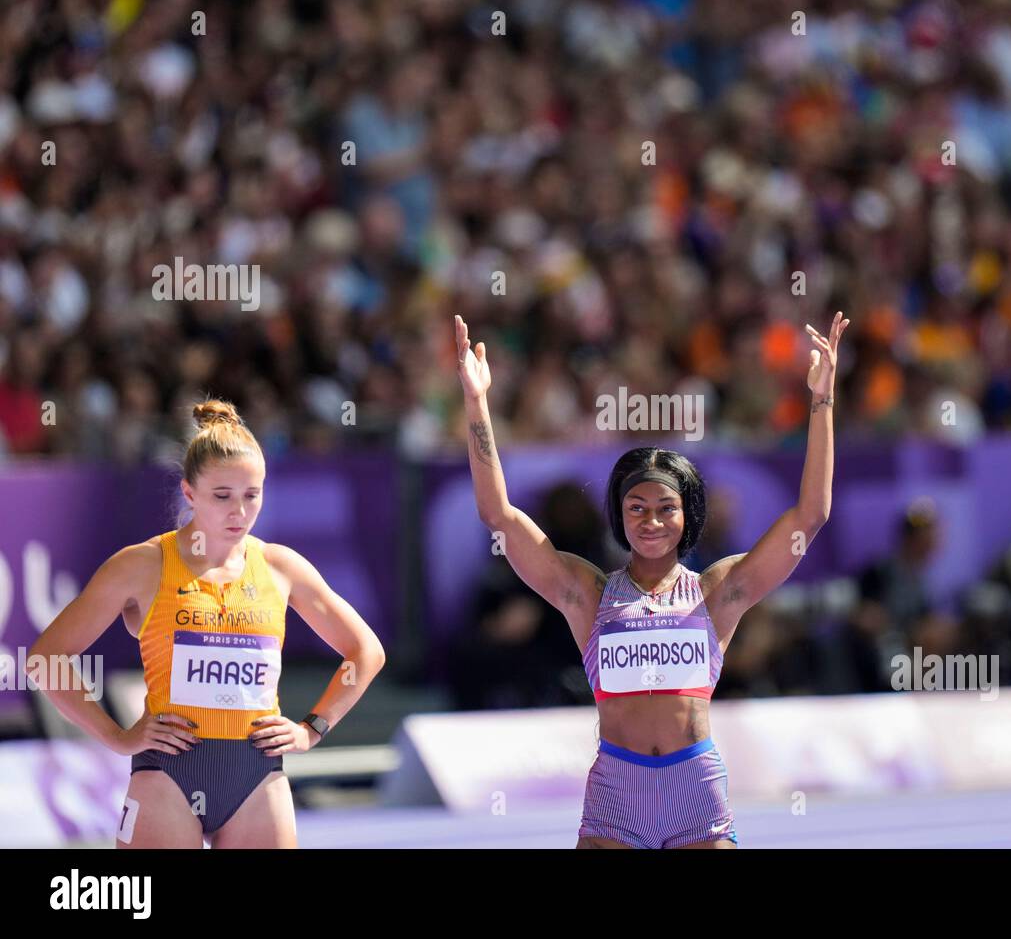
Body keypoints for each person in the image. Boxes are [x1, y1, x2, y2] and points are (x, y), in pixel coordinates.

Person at [455, 310, 848, 848]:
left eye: (666, 508)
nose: (651, 521)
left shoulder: (718, 592)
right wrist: (477, 403)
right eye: (636, 508)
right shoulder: (585, 593)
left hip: (696, 791)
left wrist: (822, 399)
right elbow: (498, 514)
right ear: (619, 516)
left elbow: (811, 516)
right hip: (616, 795)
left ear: (688, 516)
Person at [26, 400, 386, 848]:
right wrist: (115, 737)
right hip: (167, 775)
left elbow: (367, 652)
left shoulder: (281, 567)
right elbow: (45, 658)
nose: (239, 512)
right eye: (222, 496)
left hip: (256, 776)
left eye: (252, 495)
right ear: (189, 493)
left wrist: (312, 728)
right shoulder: (143, 565)